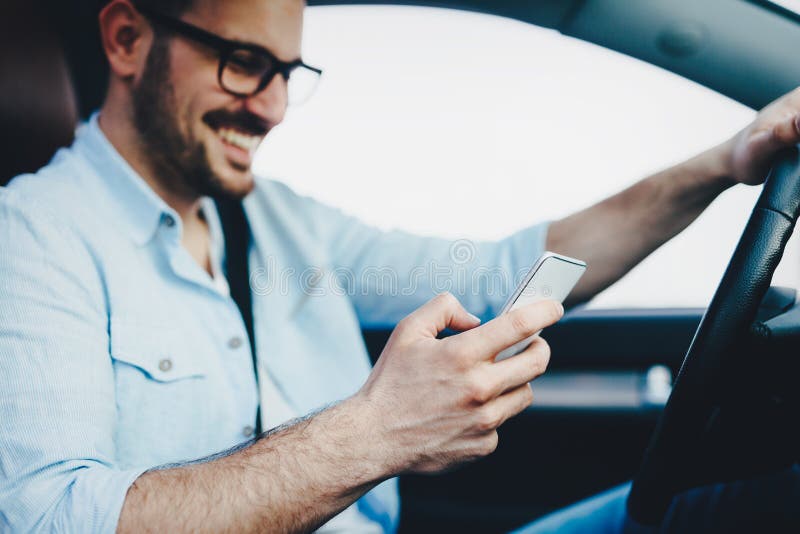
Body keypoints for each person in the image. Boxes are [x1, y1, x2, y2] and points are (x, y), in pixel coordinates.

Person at [1, 0, 799, 532]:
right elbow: (50, 518)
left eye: (287, 75)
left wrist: (726, 163)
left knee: (742, 505)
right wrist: (377, 432)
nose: (272, 107)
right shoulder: (33, 239)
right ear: (127, 39)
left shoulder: (278, 224)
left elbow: (499, 276)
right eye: (243, 62)